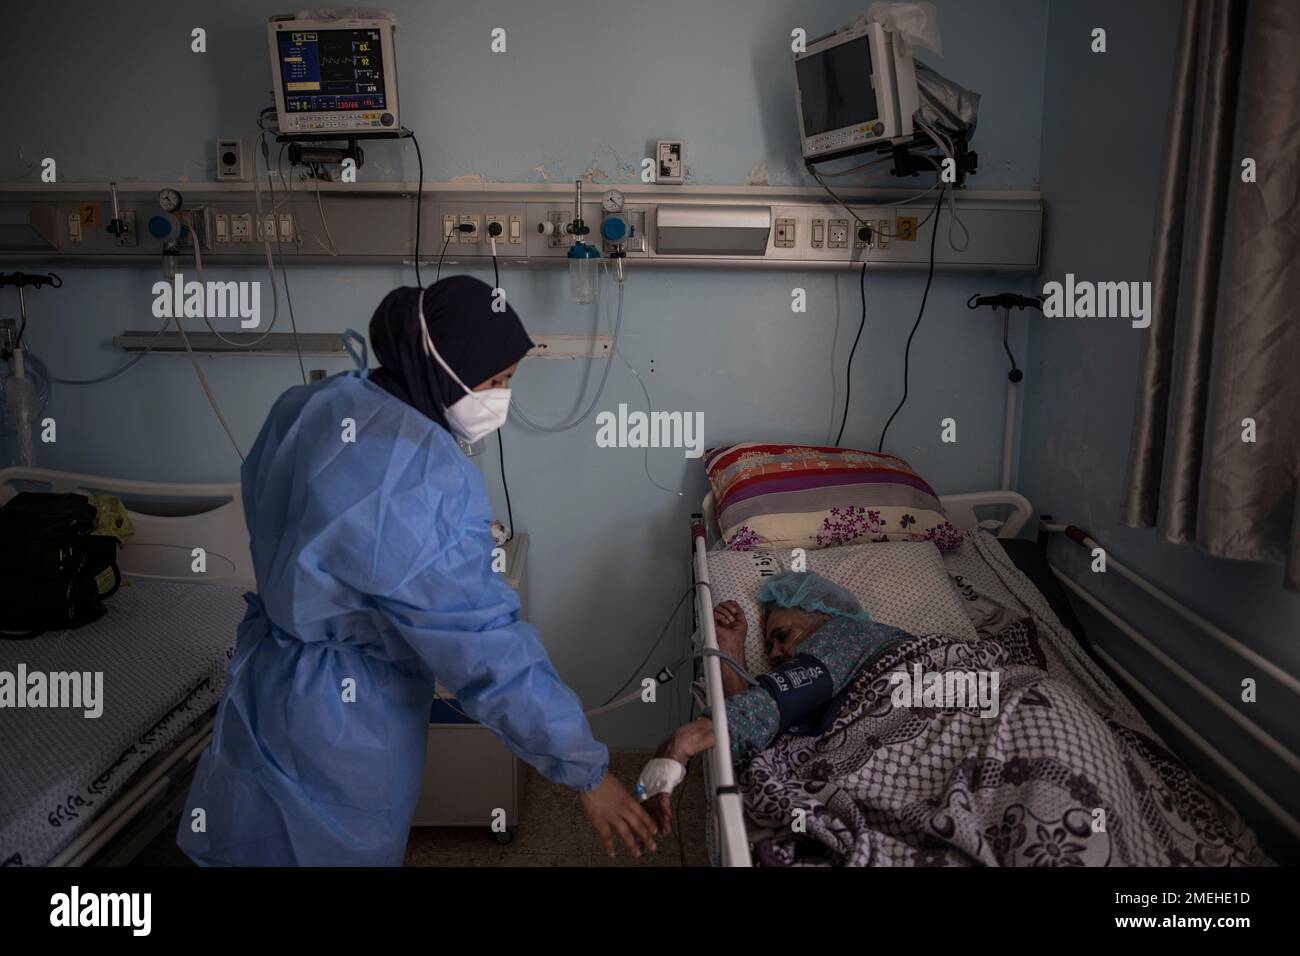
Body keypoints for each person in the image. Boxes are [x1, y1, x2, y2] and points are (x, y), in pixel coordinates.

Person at [179, 276, 657, 865]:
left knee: (252, 843)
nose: (501, 398)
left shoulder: (311, 405)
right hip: (341, 719)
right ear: (443, 365)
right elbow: (484, 649)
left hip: (268, 681)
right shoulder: (420, 475)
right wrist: (587, 771)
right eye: (495, 381)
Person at [645, 571, 908, 834]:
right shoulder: (823, 698)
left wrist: (687, 738)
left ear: (826, 619)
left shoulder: (850, 632)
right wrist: (730, 645)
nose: (774, 654)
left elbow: (790, 690)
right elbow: (758, 728)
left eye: (782, 636)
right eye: (769, 647)